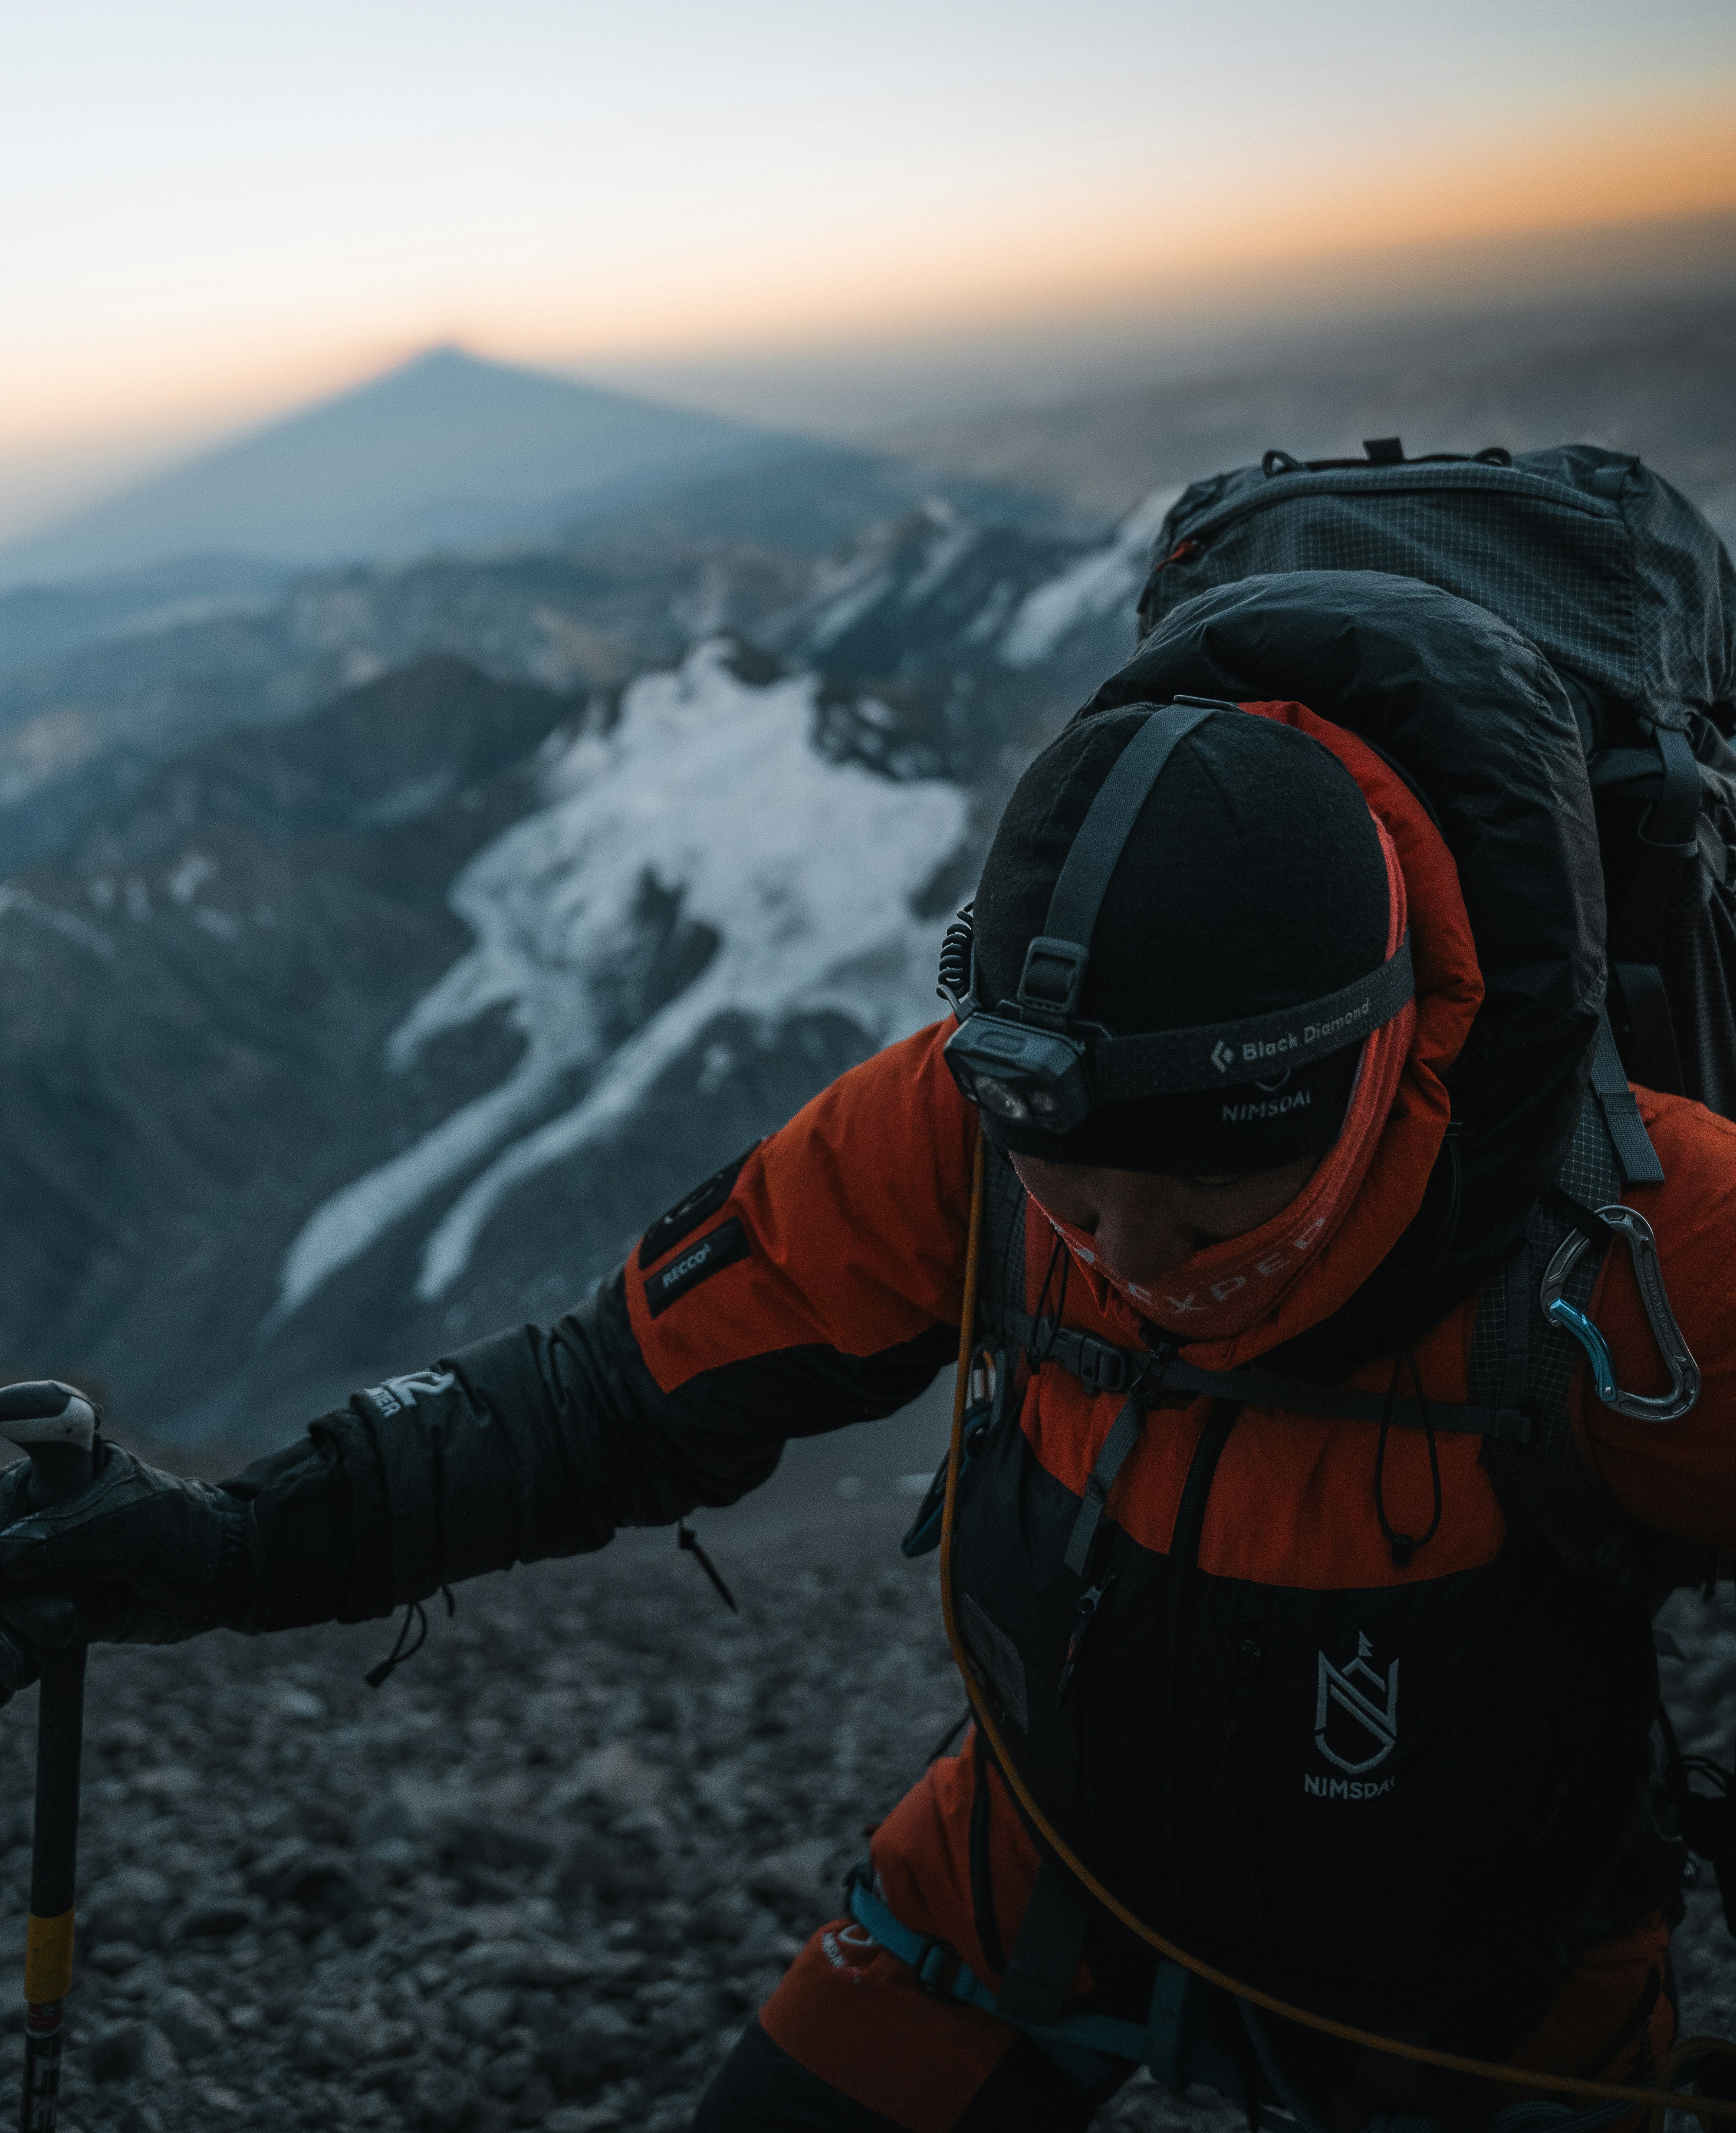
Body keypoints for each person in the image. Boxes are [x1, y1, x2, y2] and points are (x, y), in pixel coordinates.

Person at [2, 698, 1733, 2133]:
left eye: (1209, 1217)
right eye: (1072, 1204)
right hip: (1027, 1886)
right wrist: (218, 1543)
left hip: (1483, 2006)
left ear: (1359, 1069)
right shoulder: (951, 1130)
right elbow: (610, 1393)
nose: (1133, 1269)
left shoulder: (1649, 1249)